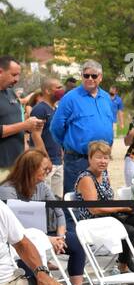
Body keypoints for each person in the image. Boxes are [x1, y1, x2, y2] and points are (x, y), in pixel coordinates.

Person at [0, 149, 88, 285]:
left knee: (76, 242)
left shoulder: (42, 186)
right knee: (29, 256)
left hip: (45, 234)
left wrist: (60, 237)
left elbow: (59, 212)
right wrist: (47, 239)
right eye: (44, 169)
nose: (48, 172)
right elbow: (16, 228)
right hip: (21, 240)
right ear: (31, 169)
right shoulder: (7, 190)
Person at [73, 140, 134, 270]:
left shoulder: (104, 174)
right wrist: (122, 208)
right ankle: (125, 262)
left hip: (109, 216)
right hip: (92, 221)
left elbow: (109, 199)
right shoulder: (87, 178)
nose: (103, 161)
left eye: (106, 158)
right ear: (90, 158)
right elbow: (94, 209)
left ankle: (130, 251)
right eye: (99, 157)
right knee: (129, 230)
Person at [49, 61, 115, 194]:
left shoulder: (106, 97)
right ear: (82, 76)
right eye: (86, 75)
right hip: (78, 159)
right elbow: (56, 127)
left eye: (94, 76)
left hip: (101, 158)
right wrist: (68, 145)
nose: (90, 78)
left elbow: (109, 123)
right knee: (75, 199)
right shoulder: (70, 98)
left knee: (101, 197)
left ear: (100, 77)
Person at [0, 56, 44, 185]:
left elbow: (15, 123)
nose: (17, 79)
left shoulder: (11, 93)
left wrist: (30, 125)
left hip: (16, 164)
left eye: (18, 75)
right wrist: (24, 125)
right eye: (13, 75)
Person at [29, 77, 64, 198]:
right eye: (58, 88)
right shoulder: (39, 109)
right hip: (45, 163)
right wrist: (45, 159)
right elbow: (36, 136)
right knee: (45, 198)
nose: (61, 90)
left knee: (57, 198)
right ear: (48, 91)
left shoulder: (56, 109)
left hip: (57, 161)